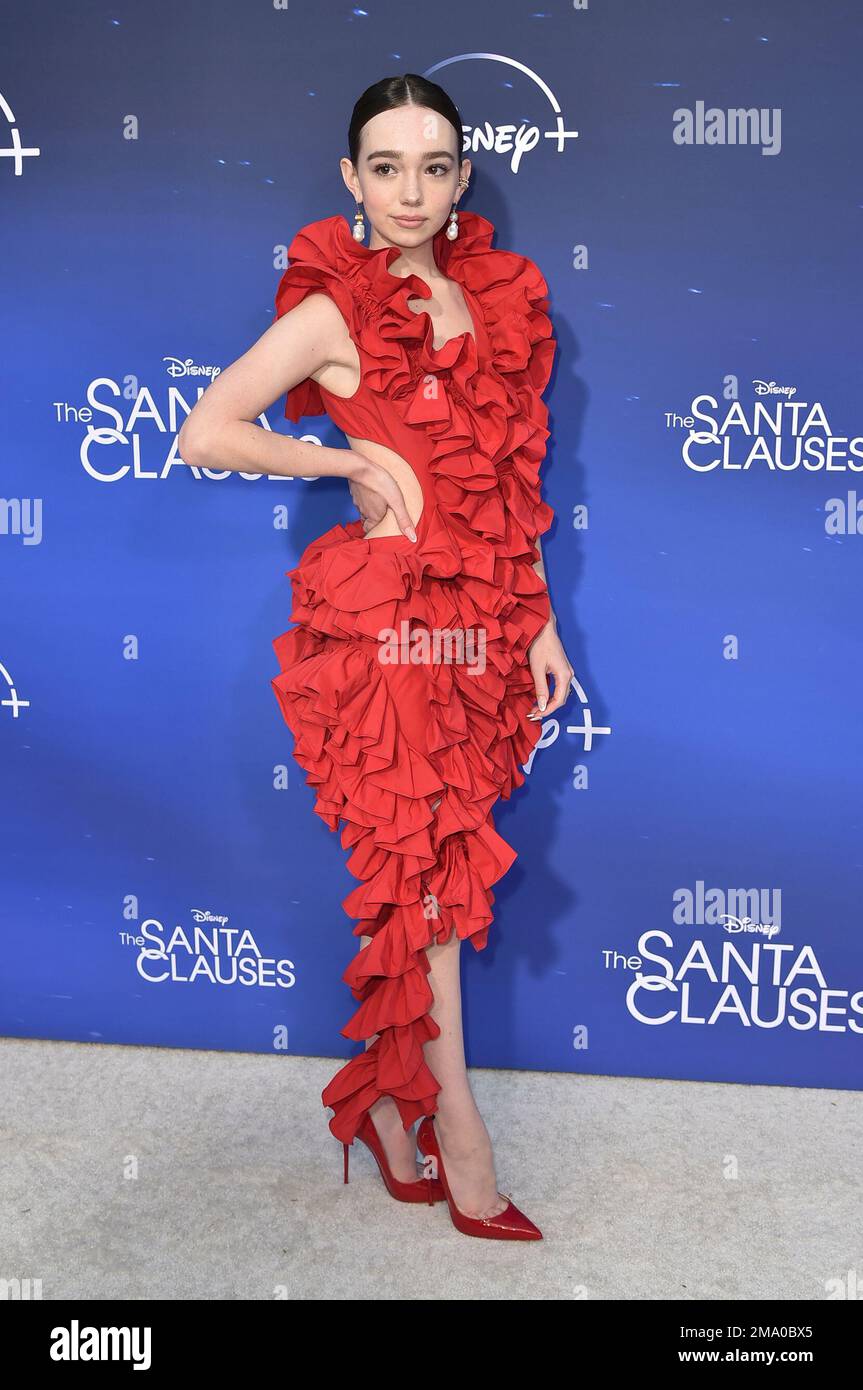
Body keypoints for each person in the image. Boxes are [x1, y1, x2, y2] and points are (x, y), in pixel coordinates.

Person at [179, 73, 574, 1241]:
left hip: (483, 627)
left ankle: (390, 1120)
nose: (411, 189)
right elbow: (207, 428)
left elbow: (513, 484)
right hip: (391, 627)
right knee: (432, 886)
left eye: (434, 166)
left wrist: (539, 618)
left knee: (414, 888)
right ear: (351, 180)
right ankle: (456, 1133)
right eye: (386, 167)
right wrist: (340, 465)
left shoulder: (494, 300)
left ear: (460, 177)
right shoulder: (338, 310)